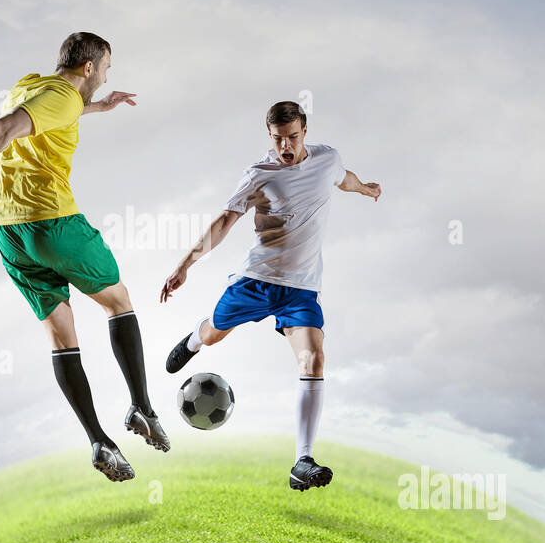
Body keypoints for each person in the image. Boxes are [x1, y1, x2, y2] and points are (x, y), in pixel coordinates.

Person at [0, 32, 169, 483]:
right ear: (88, 67)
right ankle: (141, 407)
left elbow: (46, 112)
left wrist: (98, 107)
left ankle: (99, 440)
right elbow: (2, 130)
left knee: (61, 333)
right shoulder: (63, 98)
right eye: (106, 67)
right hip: (52, 222)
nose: (108, 74)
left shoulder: (29, 86)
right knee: (119, 301)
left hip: (7, 230)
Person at [160, 101, 381, 491]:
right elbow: (224, 221)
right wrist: (184, 265)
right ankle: (194, 340)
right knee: (215, 332)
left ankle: (302, 460)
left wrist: (364, 188)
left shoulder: (326, 160)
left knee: (313, 359)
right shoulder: (259, 174)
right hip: (256, 281)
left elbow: (343, 178)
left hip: (302, 289)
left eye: (292, 137)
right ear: (270, 136)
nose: (286, 146)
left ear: (305, 131)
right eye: (278, 139)